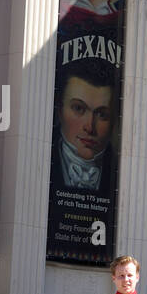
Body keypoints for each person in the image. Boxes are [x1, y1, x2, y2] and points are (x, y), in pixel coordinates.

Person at [52, 59, 118, 193]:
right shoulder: (41, 159)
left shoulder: (120, 171)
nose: (89, 127)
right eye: (78, 108)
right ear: (60, 110)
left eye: (102, 114)